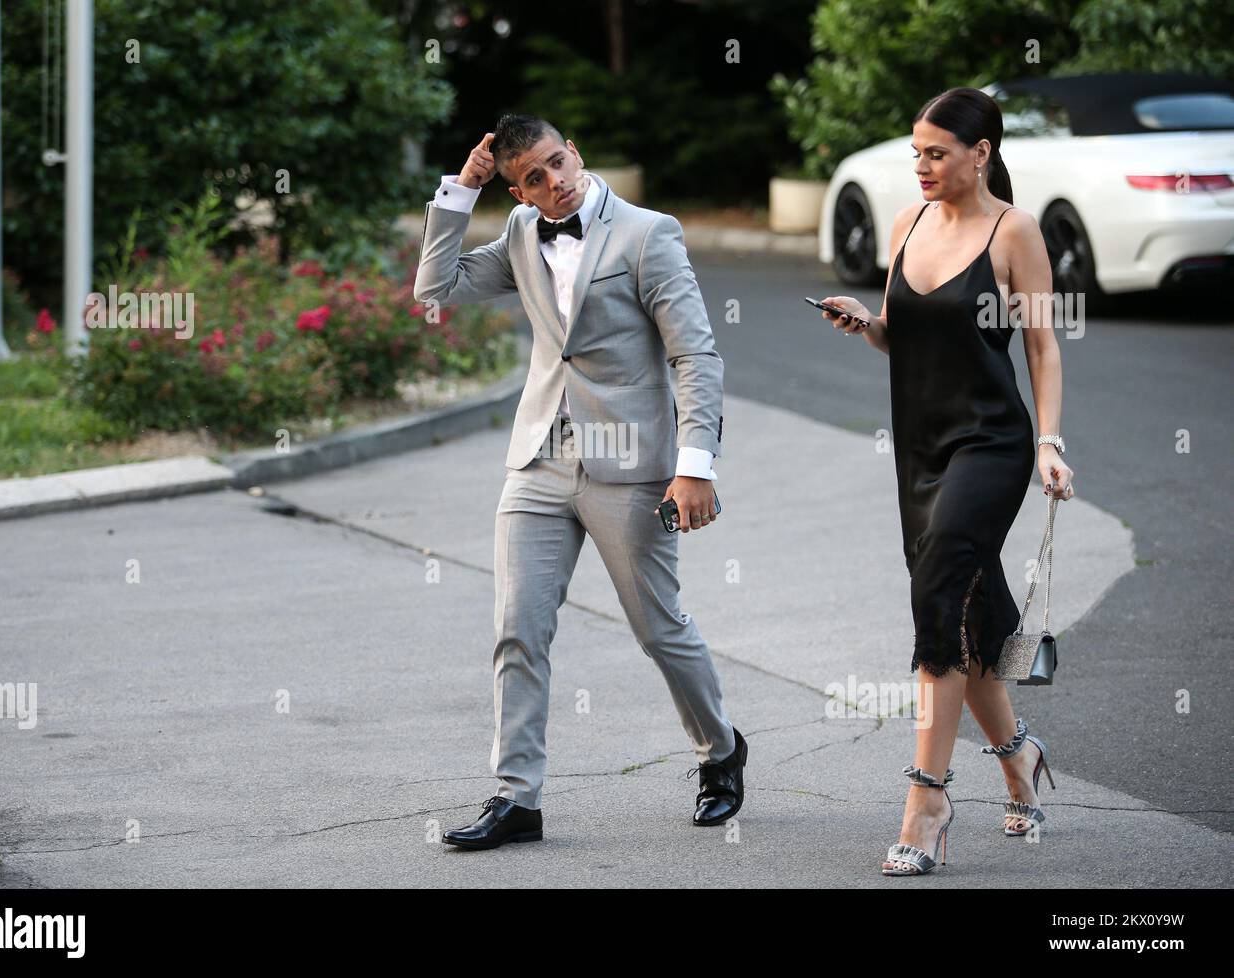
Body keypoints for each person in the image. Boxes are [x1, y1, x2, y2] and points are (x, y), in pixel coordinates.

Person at [413, 114, 747, 850]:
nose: (553, 183)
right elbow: (435, 285)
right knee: (518, 630)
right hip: (538, 457)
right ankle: (516, 798)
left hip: (631, 464)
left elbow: (695, 356)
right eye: (531, 177)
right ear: (516, 190)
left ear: (576, 152)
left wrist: (695, 466)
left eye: (557, 163)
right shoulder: (521, 236)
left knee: (658, 629)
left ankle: (720, 751)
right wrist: (460, 190)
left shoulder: (648, 234)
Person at [817, 87, 1076, 876]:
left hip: (992, 448)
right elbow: (911, 339)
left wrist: (1049, 441)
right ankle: (1019, 755)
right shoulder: (907, 225)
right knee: (967, 615)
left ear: (981, 153)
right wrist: (868, 326)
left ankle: (927, 798)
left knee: (935, 596)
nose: (922, 167)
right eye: (916, 153)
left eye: (937, 153)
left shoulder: (1013, 231)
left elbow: (1041, 347)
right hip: (919, 451)